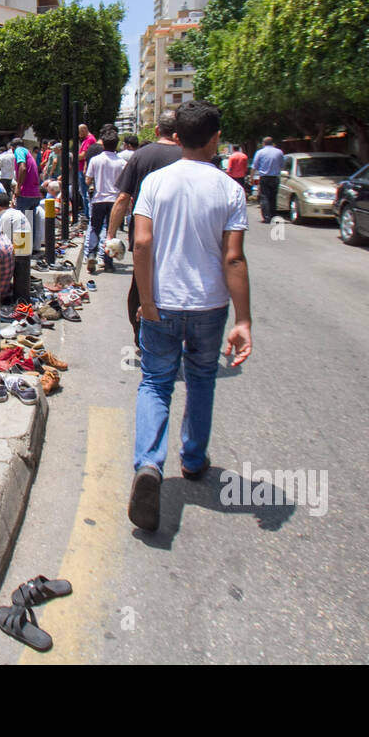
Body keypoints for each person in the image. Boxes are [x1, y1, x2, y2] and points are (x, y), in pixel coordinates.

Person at [129, 101, 252, 533]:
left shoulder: (156, 184)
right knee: (201, 379)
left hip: (161, 302)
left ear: (176, 137)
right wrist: (244, 320)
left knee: (155, 381)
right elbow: (233, 258)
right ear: (216, 138)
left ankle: (149, 464)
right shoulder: (230, 189)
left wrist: (146, 301)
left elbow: (141, 245)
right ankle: (195, 458)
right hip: (209, 306)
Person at [107, 111, 183, 347]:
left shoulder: (140, 156)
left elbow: (122, 198)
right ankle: (172, 335)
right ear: (179, 134)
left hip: (144, 234)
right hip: (179, 236)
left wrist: (110, 234)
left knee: (141, 286)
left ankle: (142, 336)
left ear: (158, 131)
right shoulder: (187, 156)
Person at [85, 126, 127, 274]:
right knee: (111, 231)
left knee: (95, 228)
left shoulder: (96, 160)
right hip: (115, 201)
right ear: (116, 144)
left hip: (98, 198)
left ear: (103, 143)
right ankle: (108, 262)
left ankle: (91, 254)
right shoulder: (122, 162)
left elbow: (88, 180)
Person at [249, 136, 286, 223]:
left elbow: (254, 166)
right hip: (275, 177)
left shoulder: (260, 152)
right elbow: (282, 165)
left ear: (263, 143)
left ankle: (266, 217)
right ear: (272, 143)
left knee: (265, 197)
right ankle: (273, 216)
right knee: (273, 197)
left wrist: (251, 177)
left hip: (264, 177)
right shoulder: (279, 152)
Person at [12, 133, 42, 211]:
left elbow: (23, 168)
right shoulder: (28, 153)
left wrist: (18, 188)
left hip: (25, 193)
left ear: (12, 148)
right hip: (34, 194)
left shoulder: (18, 150)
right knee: (30, 222)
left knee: (21, 221)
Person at [76, 123, 97, 219]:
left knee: (85, 193)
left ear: (83, 130)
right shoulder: (87, 140)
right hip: (82, 169)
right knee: (83, 192)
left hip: (84, 170)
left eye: (79, 132)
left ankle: (87, 215)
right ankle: (87, 213)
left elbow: (83, 155)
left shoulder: (90, 140)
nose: (78, 134)